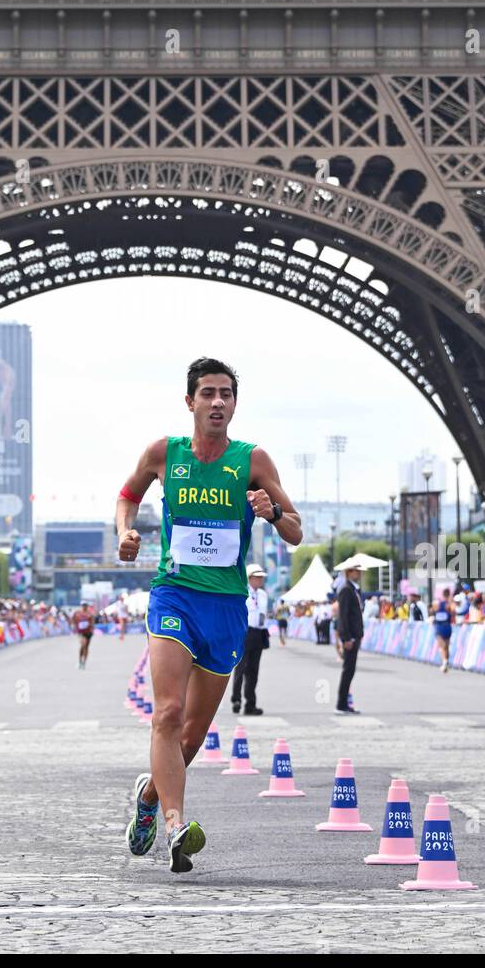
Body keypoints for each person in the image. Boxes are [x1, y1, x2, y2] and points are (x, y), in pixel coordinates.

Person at [117, 356, 301, 873]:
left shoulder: (253, 461)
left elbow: (297, 531)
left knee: (192, 736)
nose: (217, 402)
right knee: (167, 713)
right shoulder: (163, 453)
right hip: (174, 595)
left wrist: (273, 513)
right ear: (190, 401)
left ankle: (150, 798)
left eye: (226, 394)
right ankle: (176, 823)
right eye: (208, 393)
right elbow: (127, 496)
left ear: (234, 404)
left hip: (225, 606)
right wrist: (125, 533)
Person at [231, 563, 270, 716]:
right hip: (244, 632)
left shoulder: (263, 595)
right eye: (257, 577)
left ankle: (250, 704)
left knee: (253, 671)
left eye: (261, 577)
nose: (260, 580)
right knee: (240, 668)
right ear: (249, 578)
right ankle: (236, 699)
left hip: (258, 633)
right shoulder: (241, 592)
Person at [333, 565, 364, 714]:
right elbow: (343, 616)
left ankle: (345, 702)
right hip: (350, 636)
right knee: (347, 671)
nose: (359, 573)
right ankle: (341, 704)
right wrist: (346, 638)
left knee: (350, 671)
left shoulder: (353, 589)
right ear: (349, 572)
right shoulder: (346, 589)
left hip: (354, 635)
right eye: (356, 571)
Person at [430, 586, 455, 673]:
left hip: (440, 626)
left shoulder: (436, 603)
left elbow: (432, 611)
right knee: (446, 646)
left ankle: (444, 662)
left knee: (442, 646)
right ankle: (446, 662)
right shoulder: (450, 604)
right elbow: (453, 612)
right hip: (447, 626)